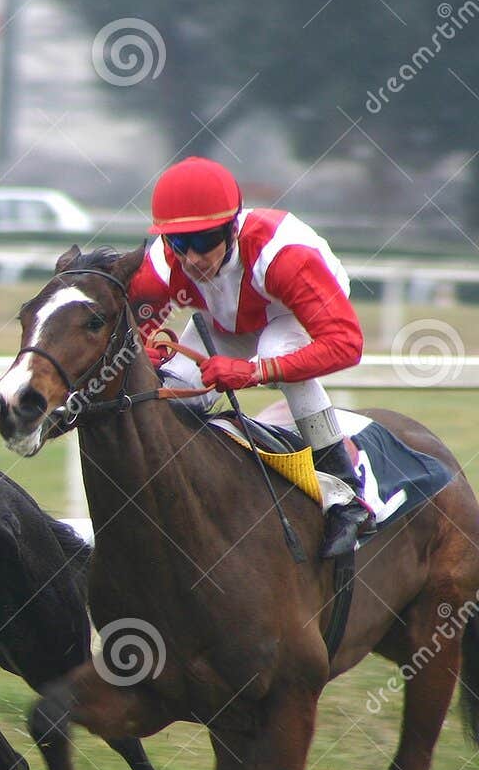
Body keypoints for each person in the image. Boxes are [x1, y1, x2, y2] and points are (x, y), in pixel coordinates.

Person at [130, 156, 376, 558]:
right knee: (175, 391)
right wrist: (145, 351)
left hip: (290, 312)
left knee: (276, 352)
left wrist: (252, 372)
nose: (191, 258)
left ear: (232, 227)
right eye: (178, 242)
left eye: (204, 241)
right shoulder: (162, 263)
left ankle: (345, 496)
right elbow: (132, 329)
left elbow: (346, 344)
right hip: (228, 321)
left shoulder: (284, 257)